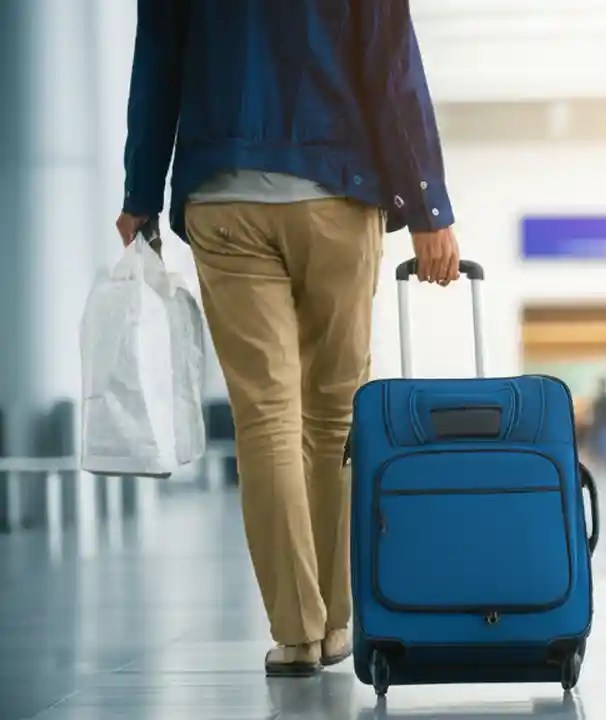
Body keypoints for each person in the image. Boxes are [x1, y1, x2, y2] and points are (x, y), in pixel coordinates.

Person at [117, 1, 461, 676]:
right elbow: (392, 70)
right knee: (337, 412)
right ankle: (336, 621)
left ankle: (296, 633)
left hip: (223, 196)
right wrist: (428, 209)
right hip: (338, 188)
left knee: (266, 417)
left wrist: (140, 194)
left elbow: (156, 64)